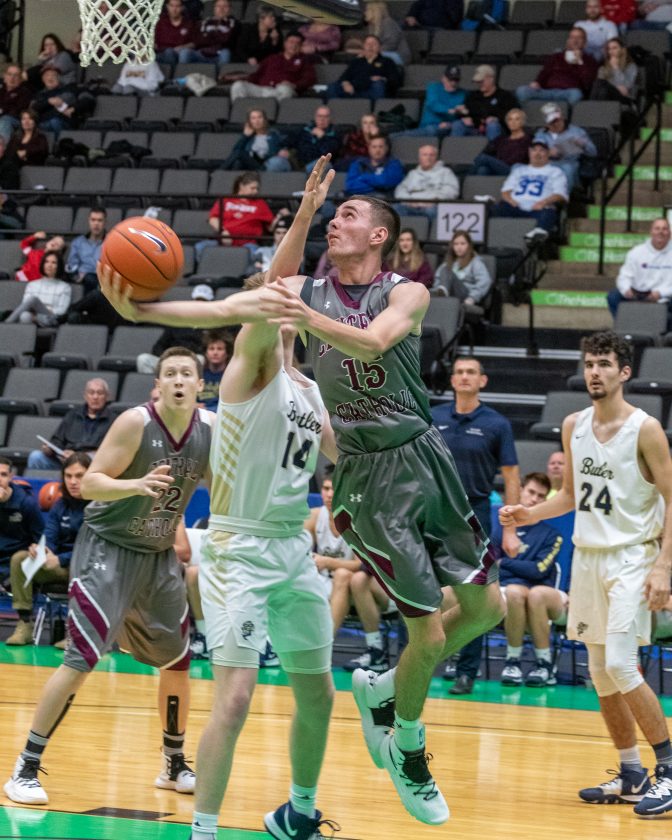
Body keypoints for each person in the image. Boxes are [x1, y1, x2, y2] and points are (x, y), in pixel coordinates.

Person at [256, 158, 505, 826]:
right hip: (368, 479)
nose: (339, 219)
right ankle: (409, 747)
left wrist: (303, 314)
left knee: (487, 608)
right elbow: (274, 285)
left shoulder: (408, 293)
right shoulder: (313, 287)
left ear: (380, 238)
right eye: (335, 214)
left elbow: (372, 345)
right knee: (425, 630)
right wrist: (306, 210)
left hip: (426, 455)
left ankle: (384, 690)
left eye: (349, 214)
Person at [97, 246, 339, 840]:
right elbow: (273, 287)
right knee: (235, 698)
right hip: (240, 552)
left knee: (320, 694)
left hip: (291, 550)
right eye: (277, 299)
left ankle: (299, 812)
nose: (289, 305)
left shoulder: (309, 389)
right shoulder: (249, 366)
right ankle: (202, 830)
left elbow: (345, 454)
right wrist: (306, 212)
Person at [4, 346, 216, 807]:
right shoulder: (135, 423)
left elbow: (229, 485)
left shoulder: (212, 430)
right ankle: (25, 767)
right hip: (108, 550)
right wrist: (135, 486)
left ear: (201, 386)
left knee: (177, 661)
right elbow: (93, 481)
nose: (179, 379)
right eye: (170, 373)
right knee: (81, 658)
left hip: (158, 556)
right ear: (157, 386)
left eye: (188, 373)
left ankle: (173, 762)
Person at [500, 330, 672, 816]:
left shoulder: (646, 429)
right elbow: (570, 496)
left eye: (604, 363)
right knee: (600, 673)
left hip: (632, 557)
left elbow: (671, 496)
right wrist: (529, 514)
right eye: (589, 363)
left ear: (625, 372)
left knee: (620, 664)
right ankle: (631, 771)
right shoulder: (573, 424)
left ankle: (669, 769)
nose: (594, 371)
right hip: (588, 557)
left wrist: (664, 565)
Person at [431, 357, 519, 695]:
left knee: (476, 597)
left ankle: (467, 671)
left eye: (471, 372)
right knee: (422, 591)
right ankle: (421, 659)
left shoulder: (497, 424)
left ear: (482, 380)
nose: (465, 377)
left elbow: (511, 476)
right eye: (459, 372)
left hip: (475, 514)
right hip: (433, 511)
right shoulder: (433, 417)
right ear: (452, 380)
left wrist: (509, 528)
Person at [7, 452, 91, 647]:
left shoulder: (99, 506)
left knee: (84, 566)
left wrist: (60, 559)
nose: (73, 482)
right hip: (58, 565)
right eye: (68, 476)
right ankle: (24, 624)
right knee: (20, 559)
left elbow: (92, 548)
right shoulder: (61, 504)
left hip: (86, 567)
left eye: (79, 476)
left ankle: (77, 633)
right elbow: (50, 535)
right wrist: (42, 550)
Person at [498, 471, 566, 688]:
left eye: (540, 496)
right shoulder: (501, 527)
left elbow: (538, 571)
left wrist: (505, 563)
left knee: (532, 594)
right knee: (515, 592)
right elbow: (489, 565)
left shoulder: (552, 535)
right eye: (531, 492)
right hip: (506, 591)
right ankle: (513, 663)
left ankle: (544, 664)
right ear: (520, 492)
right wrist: (510, 568)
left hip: (542, 593)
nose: (534, 499)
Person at [304, 465, 360, 634]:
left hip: (351, 585)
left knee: (343, 576)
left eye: (334, 489)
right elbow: (298, 553)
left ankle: (326, 642)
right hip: (321, 581)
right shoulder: (314, 515)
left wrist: (328, 562)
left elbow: (361, 566)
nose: (329, 495)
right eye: (326, 488)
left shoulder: (358, 519)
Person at [26, 378, 114, 471]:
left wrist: (77, 457)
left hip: (91, 465)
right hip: (65, 461)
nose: (95, 397)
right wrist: (51, 449)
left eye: (100, 393)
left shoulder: (113, 420)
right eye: (91, 393)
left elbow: (110, 452)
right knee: (36, 457)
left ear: (107, 396)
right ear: (85, 395)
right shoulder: (72, 415)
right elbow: (58, 440)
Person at [199, 171, 284, 261]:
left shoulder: (260, 203)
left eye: (257, 189)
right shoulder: (226, 200)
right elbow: (213, 218)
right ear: (241, 186)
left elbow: (270, 228)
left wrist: (279, 216)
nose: (256, 191)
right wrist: (223, 232)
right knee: (200, 247)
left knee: (253, 255)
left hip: (248, 243)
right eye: (252, 188)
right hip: (222, 241)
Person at [490, 138, 569, 233]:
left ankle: (536, 238)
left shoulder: (556, 172)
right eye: (534, 150)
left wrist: (544, 202)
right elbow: (505, 191)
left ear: (548, 153)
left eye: (541, 150)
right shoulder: (519, 170)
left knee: (548, 213)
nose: (537, 153)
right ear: (529, 152)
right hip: (516, 207)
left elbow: (560, 195)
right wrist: (510, 200)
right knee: (497, 208)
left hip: (539, 208)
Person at [516, 28, 599, 107]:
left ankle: (565, 119)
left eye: (579, 38)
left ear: (584, 43)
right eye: (572, 37)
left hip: (568, 92)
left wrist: (580, 61)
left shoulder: (589, 60)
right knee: (522, 91)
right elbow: (545, 72)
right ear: (568, 41)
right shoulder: (556, 56)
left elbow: (587, 83)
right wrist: (537, 82)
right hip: (548, 91)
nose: (575, 40)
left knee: (576, 94)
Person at [137, 286, 211, 374]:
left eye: (203, 302)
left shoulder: (213, 326)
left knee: (200, 359)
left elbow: (210, 351)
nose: (200, 304)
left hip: (191, 361)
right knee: (143, 359)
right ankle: (156, 387)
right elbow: (158, 346)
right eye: (197, 301)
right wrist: (167, 358)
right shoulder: (178, 322)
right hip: (170, 359)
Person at [607, 218, 672, 318]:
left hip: (664, 296)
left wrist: (660, 293)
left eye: (664, 229)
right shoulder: (636, 252)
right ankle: (624, 330)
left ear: (670, 232)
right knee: (613, 296)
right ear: (651, 232)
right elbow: (624, 276)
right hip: (637, 295)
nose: (660, 232)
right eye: (657, 228)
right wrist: (626, 290)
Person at [230, 32, 316, 103]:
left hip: (282, 90)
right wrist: (243, 79)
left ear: (300, 47)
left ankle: (272, 116)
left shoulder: (304, 61)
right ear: (285, 43)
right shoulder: (272, 58)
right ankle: (241, 115)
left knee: (285, 89)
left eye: (298, 43)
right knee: (238, 86)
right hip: (262, 89)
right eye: (291, 42)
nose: (294, 45)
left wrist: (294, 85)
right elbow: (258, 75)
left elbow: (309, 79)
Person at [533, 105, 597, 191]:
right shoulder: (541, 133)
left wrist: (584, 144)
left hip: (569, 162)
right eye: (552, 122)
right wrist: (548, 152)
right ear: (546, 124)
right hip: (548, 163)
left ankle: (561, 200)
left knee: (567, 169)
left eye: (557, 120)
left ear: (562, 117)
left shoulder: (576, 131)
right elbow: (536, 150)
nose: (556, 124)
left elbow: (593, 152)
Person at [0, 456, 44, 582]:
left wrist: (35, 547)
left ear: (10, 477)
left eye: (3, 475)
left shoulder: (26, 503)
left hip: (14, 559)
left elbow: (40, 539)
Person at [451, 65, 519, 142]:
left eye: (482, 81)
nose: (480, 84)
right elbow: (466, 111)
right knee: (458, 124)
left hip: (498, 131)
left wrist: (497, 118)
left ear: (491, 79)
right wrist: (463, 116)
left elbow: (514, 114)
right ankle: (455, 151)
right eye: (478, 82)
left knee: (492, 126)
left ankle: (491, 152)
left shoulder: (504, 96)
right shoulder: (473, 96)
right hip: (476, 129)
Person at [5, 251, 71, 326]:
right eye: (46, 262)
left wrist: (43, 309)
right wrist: (37, 314)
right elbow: (25, 304)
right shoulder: (32, 285)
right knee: (25, 315)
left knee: (33, 300)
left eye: (54, 263)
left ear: (59, 266)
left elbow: (61, 310)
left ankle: (6, 325)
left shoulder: (65, 287)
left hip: (52, 319)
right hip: (35, 317)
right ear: (43, 264)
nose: (49, 265)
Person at [393, 144, 459, 219]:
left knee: (433, 211)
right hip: (411, 205)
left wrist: (435, 200)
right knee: (396, 208)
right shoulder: (413, 173)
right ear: (419, 157)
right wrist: (409, 202)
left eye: (432, 155)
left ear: (436, 157)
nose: (428, 158)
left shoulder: (446, 172)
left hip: (432, 205)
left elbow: (452, 191)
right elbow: (400, 189)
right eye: (425, 155)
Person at [398, 66, 466, 139]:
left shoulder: (463, 93)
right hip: (429, 126)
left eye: (456, 80)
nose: (453, 83)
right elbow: (433, 104)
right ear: (443, 78)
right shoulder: (433, 87)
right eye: (450, 79)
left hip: (448, 127)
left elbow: (464, 116)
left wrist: (452, 122)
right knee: (401, 136)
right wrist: (451, 110)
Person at [327, 35, 400, 99]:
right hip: (353, 90)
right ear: (363, 47)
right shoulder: (356, 61)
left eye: (374, 44)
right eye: (368, 44)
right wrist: (346, 83)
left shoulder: (387, 61)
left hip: (370, 90)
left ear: (379, 47)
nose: (370, 46)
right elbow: (344, 77)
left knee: (378, 85)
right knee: (332, 87)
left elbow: (395, 80)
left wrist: (383, 79)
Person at [432, 230, 493, 306]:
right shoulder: (449, 262)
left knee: (447, 270)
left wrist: (472, 297)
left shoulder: (475, 262)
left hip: (465, 295)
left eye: (462, 244)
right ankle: (440, 294)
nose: (459, 247)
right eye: (456, 244)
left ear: (469, 245)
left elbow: (485, 281)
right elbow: (438, 278)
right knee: (445, 269)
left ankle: (441, 294)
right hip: (450, 294)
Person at [220, 107, 291, 173]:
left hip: (265, 166)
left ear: (265, 120)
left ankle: (219, 173)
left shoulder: (273, 135)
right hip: (251, 166)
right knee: (237, 162)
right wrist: (245, 136)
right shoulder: (249, 137)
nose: (257, 120)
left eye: (259, 117)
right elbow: (234, 152)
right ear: (249, 122)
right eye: (253, 118)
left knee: (239, 153)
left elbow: (275, 152)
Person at [469, 107, 532, 177]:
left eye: (517, 119)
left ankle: (466, 180)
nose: (513, 122)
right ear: (507, 122)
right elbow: (486, 152)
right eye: (510, 119)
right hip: (500, 168)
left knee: (483, 158)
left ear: (522, 122)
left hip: (515, 170)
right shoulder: (501, 139)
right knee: (483, 170)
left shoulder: (529, 140)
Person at [346, 1, 411, 65]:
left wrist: (371, 52)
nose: (365, 13)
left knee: (366, 57)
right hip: (380, 53)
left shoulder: (388, 23)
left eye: (367, 10)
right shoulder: (371, 26)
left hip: (398, 55)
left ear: (375, 11)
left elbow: (391, 45)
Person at [344, 134, 404, 200]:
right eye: (374, 147)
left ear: (386, 148)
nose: (377, 150)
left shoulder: (394, 164)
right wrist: (378, 185)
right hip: (358, 200)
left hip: (382, 202)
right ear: (368, 148)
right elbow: (351, 186)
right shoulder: (358, 164)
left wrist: (363, 177)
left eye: (381, 146)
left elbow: (387, 181)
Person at [178, 0, 239, 65]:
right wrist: (218, 36)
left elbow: (228, 41)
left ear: (230, 9)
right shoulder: (205, 22)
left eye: (225, 6)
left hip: (220, 53)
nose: (221, 9)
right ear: (214, 8)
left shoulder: (234, 23)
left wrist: (209, 36)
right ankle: (183, 74)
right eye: (218, 6)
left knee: (226, 53)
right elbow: (199, 40)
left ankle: (222, 74)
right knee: (185, 52)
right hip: (201, 53)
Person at [65, 208, 107, 294]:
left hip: (103, 279)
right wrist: (77, 276)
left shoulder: (111, 242)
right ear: (89, 221)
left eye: (100, 220)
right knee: (89, 279)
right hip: (84, 279)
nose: (96, 223)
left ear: (105, 222)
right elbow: (71, 264)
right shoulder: (78, 242)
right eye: (93, 220)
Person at [29, 66, 75, 136]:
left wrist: (45, 105)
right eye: (47, 75)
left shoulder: (66, 89)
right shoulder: (39, 93)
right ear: (43, 79)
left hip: (62, 122)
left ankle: (59, 144)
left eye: (53, 75)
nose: (50, 78)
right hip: (43, 123)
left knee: (54, 121)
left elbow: (63, 102)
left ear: (59, 78)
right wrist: (49, 102)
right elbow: (33, 108)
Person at [293, 105, 341, 173]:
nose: (322, 119)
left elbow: (328, 154)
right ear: (315, 117)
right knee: (276, 162)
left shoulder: (335, 134)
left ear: (330, 118)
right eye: (319, 116)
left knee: (324, 164)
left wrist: (322, 137)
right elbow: (299, 149)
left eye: (325, 116)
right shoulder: (305, 130)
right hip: (302, 165)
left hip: (323, 167)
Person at [593, 38, 639, 104]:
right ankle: (594, 108)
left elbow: (627, 86)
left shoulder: (631, 66)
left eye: (614, 48)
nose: (611, 51)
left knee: (602, 84)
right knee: (601, 86)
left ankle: (592, 110)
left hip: (626, 98)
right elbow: (599, 87)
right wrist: (617, 87)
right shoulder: (603, 67)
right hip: (607, 95)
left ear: (622, 49)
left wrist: (616, 68)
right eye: (609, 49)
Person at [154, 0, 198, 66]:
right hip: (162, 54)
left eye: (177, 6)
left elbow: (194, 43)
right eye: (172, 6)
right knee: (168, 52)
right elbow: (154, 43)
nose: (174, 9)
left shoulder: (189, 23)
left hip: (180, 53)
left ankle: (178, 73)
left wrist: (182, 47)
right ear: (167, 6)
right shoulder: (160, 22)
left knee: (182, 53)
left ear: (182, 7)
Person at [198, 329, 231, 411]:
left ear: (227, 353)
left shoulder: (231, 376)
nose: (215, 352)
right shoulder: (198, 374)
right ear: (206, 353)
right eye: (211, 349)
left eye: (219, 349)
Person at [0, 64, 33, 144]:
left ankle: (1, 152)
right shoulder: (1, 90)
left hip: (15, 120)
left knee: (5, 120)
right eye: (9, 74)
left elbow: (17, 110)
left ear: (21, 79)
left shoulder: (25, 92)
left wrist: (2, 110)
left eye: (16, 75)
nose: (12, 78)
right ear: (5, 76)